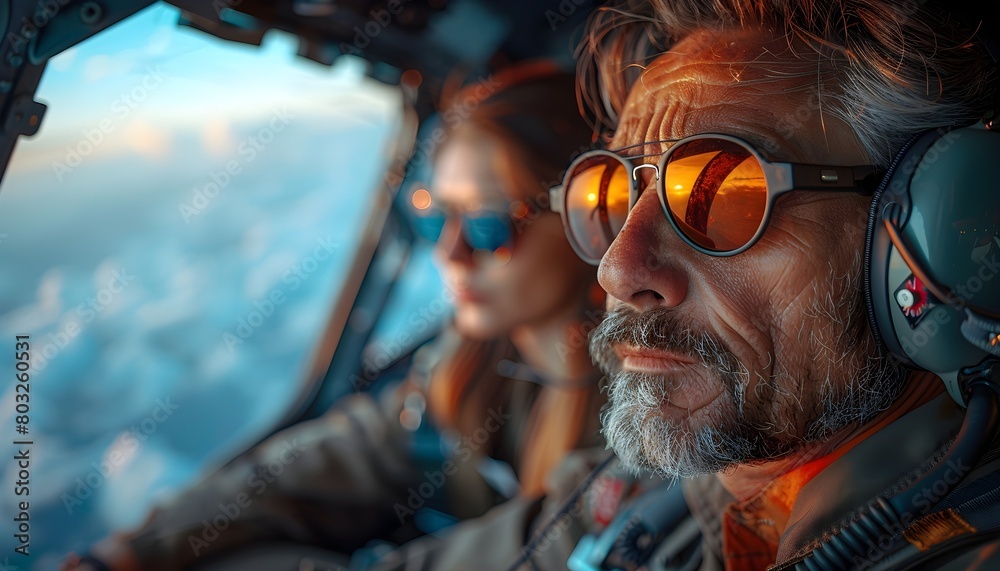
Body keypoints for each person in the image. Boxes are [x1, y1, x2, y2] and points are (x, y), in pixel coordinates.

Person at [357, 0, 1000, 570]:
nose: (617, 269)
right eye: (611, 195)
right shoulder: (652, 496)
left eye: (724, 197)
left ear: (921, 240)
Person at [60, 60, 607, 571]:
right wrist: (133, 553)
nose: (450, 252)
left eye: (489, 224)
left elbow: (549, 546)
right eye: (436, 217)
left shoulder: (636, 415)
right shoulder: (465, 365)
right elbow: (350, 453)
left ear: (591, 220)